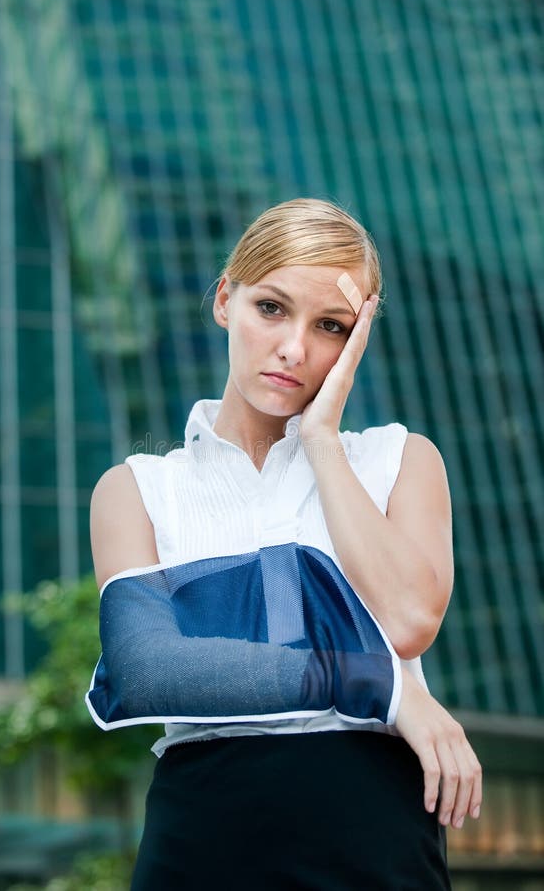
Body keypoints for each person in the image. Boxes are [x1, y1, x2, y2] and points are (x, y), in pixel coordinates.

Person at [87, 198, 482, 890]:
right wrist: (375, 683)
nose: (294, 349)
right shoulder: (138, 489)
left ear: (355, 341)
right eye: (271, 308)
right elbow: (148, 671)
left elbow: (408, 621)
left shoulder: (398, 460)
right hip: (203, 835)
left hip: (374, 833)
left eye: (328, 325)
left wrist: (323, 440)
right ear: (224, 300)